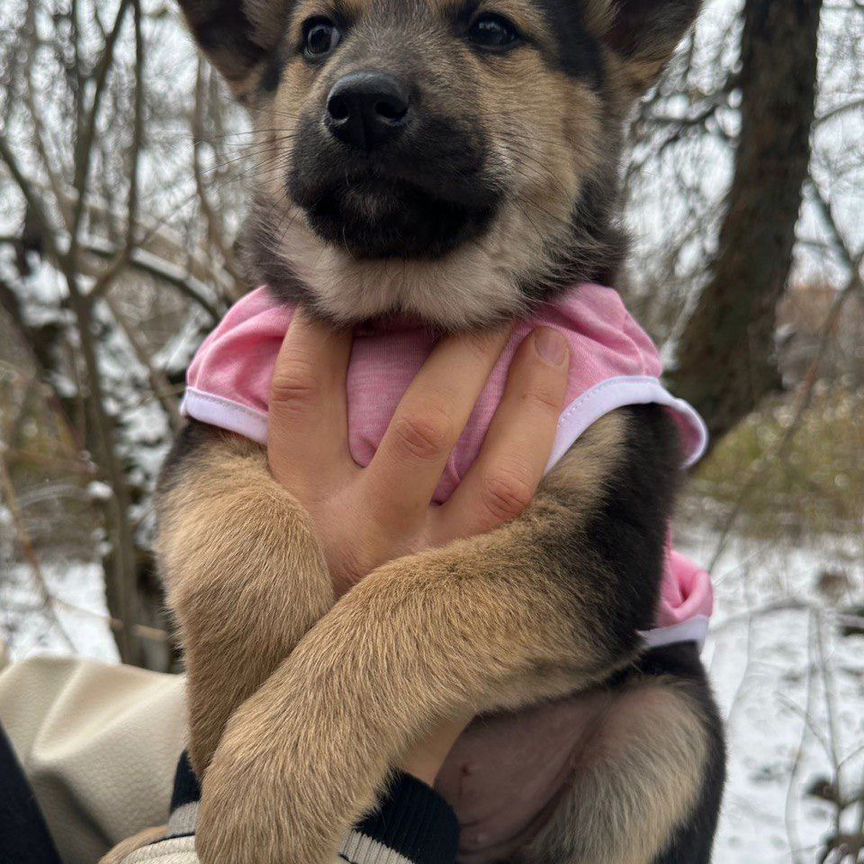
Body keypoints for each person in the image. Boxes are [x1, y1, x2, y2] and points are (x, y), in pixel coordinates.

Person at [0, 319, 572, 864]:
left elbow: (599, 588)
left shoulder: (593, 364)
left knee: (655, 733)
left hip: (577, 757)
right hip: (382, 809)